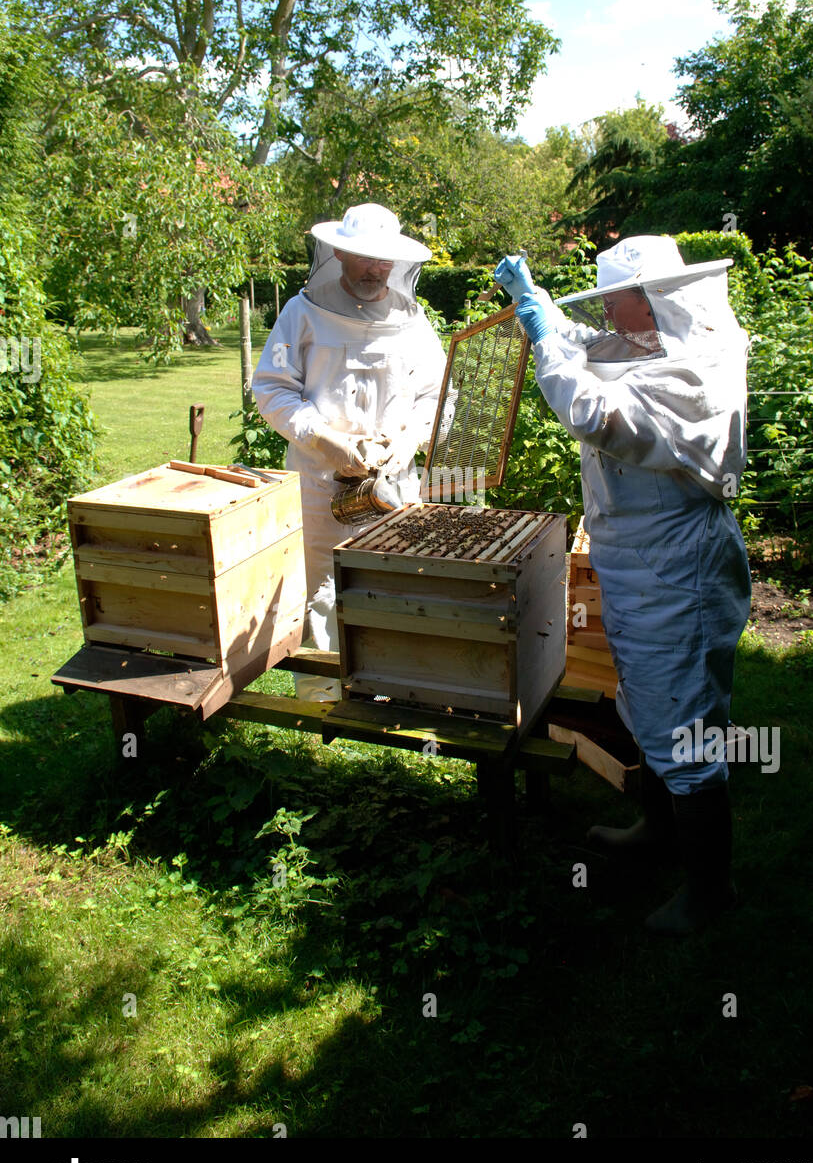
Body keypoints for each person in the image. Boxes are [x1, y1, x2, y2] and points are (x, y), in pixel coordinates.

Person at [494, 237, 752, 936]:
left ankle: (708, 892)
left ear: (654, 298)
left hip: (677, 566)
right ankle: (657, 831)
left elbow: (594, 412)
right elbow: (591, 348)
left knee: (686, 721)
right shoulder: (648, 340)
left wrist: (542, 330)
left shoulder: (696, 370)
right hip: (640, 558)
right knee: (646, 697)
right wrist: (536, 307)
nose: (605, 311)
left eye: (614, 297)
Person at [253, 203, 449, 702]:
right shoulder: (301, 314)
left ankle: (389, 688)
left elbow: (438, 394)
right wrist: (325, 441)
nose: (374, 269)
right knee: (321, 584)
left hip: (392, 482)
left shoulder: (412, 321)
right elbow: (273, 388)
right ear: (338, 251)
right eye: (363, 257)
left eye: (383, 260)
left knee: (392, 578)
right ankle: (321, 695)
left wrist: (407, 442)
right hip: (321, 481)